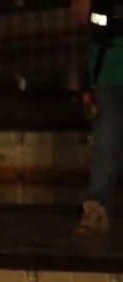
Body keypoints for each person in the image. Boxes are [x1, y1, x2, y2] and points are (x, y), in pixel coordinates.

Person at [72, 0, 123, 237]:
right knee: (106, 139)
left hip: (106, 62)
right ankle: (97, 209)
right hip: (108, 64)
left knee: (106, 139)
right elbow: (81, 13)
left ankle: (97, 210)